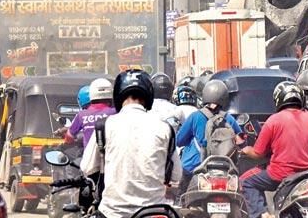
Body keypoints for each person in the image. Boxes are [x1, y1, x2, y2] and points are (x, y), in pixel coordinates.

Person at [80, 69, 182, 218]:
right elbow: (176, 176)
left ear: (118, 95)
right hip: (154, 212)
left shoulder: (105, 126)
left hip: (113, 213)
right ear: (148, 95)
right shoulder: (165, 128)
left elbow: (87, 168)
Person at [239, 81, 308, 218]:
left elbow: (258, 153)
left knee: (245, 181)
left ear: (278, 99)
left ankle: (263, 214)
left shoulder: (273, 121)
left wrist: (246, 150)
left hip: (280, 175)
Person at [177, 79, 242, 190]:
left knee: (181, 196)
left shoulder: (195, 116)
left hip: (194, 166)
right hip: (224, 167)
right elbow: (240, 140)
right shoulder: (229, 119)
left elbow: (179, 141)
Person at [66, 78, 116, 148]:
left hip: (89, 157)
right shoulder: (116, 112)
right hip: (111, 155)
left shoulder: (82, 115)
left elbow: (69, 137)